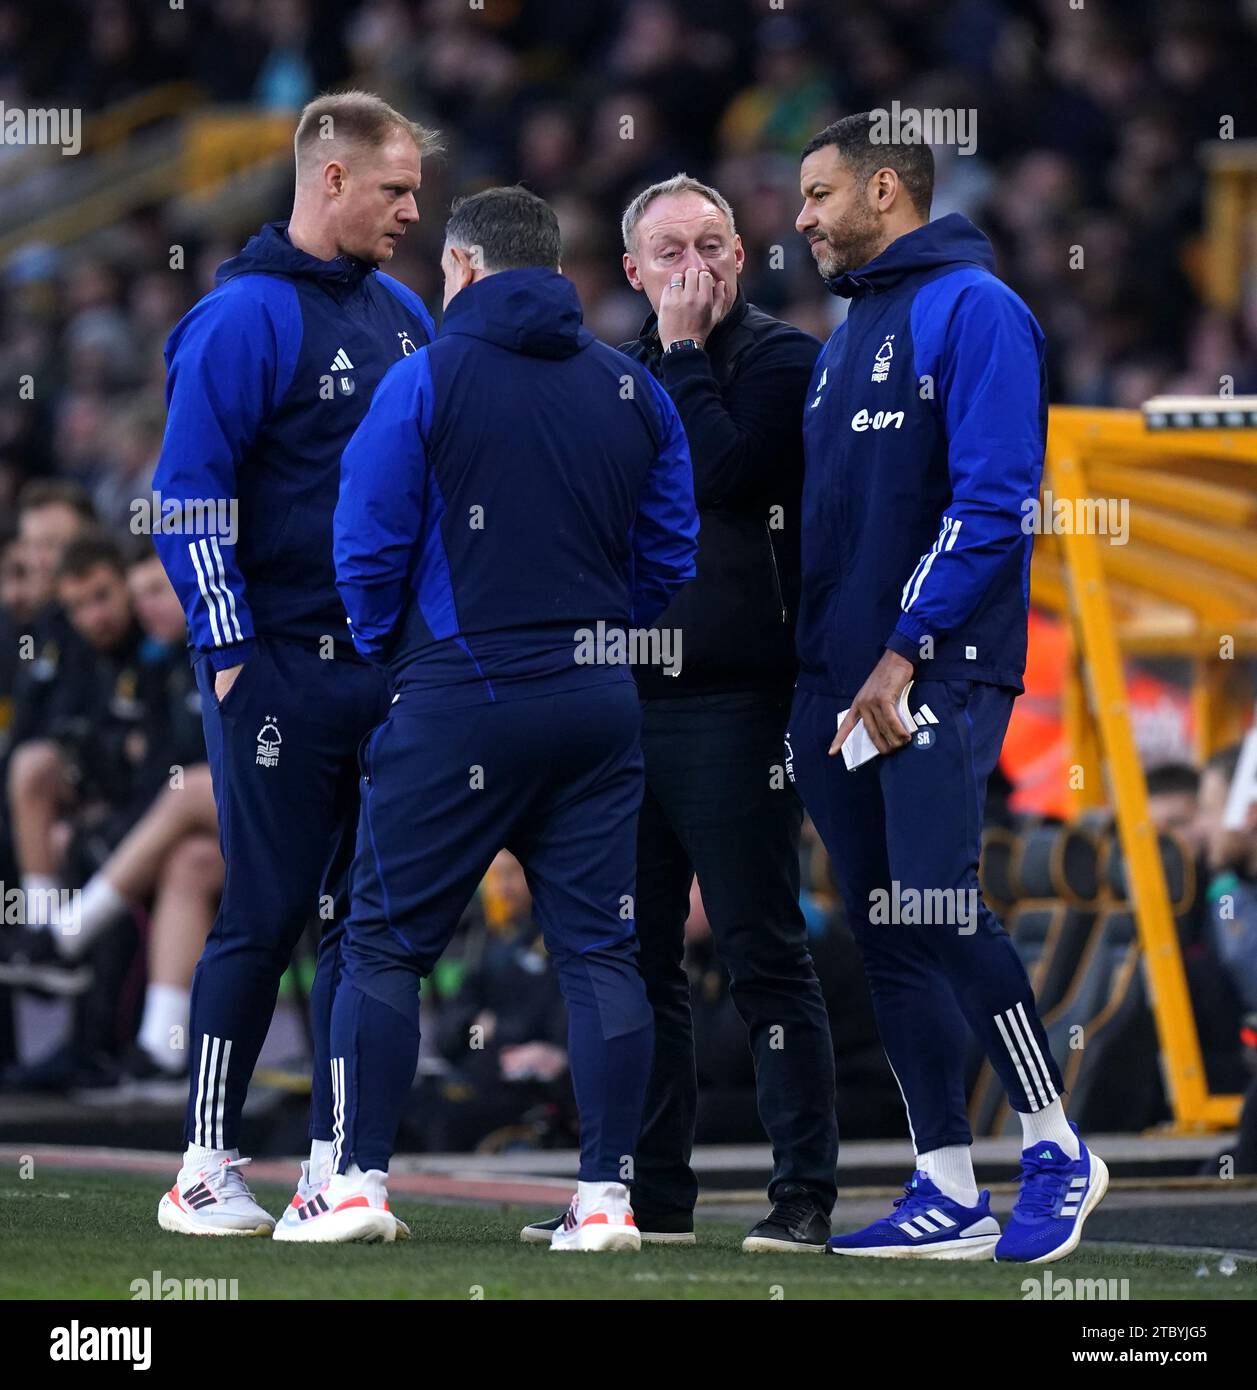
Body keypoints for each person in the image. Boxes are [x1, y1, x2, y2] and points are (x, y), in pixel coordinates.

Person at [275, 185, 698, 1248]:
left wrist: (404, 653)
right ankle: (607, 1198)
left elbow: (363, 548)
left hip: (459, 697)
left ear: (461, 268)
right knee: (603, 951)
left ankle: (358, 1184)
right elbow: (670, 553)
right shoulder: (632, 387)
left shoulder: (422, 380)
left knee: (378, 943)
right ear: (557, 270)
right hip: (599, 700)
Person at [788, 113, 1106, 1263]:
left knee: (937, 902)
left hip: (930, 669)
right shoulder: (844, 332)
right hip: (837, 683)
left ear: (886, 188)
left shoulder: (977, 311)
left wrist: (904, 644)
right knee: (887, 926)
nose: (801, 218)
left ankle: (1057, 1143)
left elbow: (992, 502)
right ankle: (944, 1182)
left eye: (819, 195)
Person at [524, 173, 837, 1253]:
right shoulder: (615, 375)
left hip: (741, 700)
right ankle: (649, 1193)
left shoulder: (783, 360)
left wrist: (692, 354)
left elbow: (733, 472)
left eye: (712, 243)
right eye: (669, 250)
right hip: (626, 698)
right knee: (632, 952)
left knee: (761, 948)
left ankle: (804, 1194)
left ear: (743, 259)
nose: (692, 266)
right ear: (632, 270)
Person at [150, 91, 439, 1237]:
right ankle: (204, 1168)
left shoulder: (408, 316)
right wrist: (227, 652)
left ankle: (334, 1162)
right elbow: (187, 496)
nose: (414, 209)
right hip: (273, 664)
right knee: (262, 913)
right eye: (395, 188)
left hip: (384, 668)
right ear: (329, 181)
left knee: (361, 921)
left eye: (416, 189)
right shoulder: (242, 320)